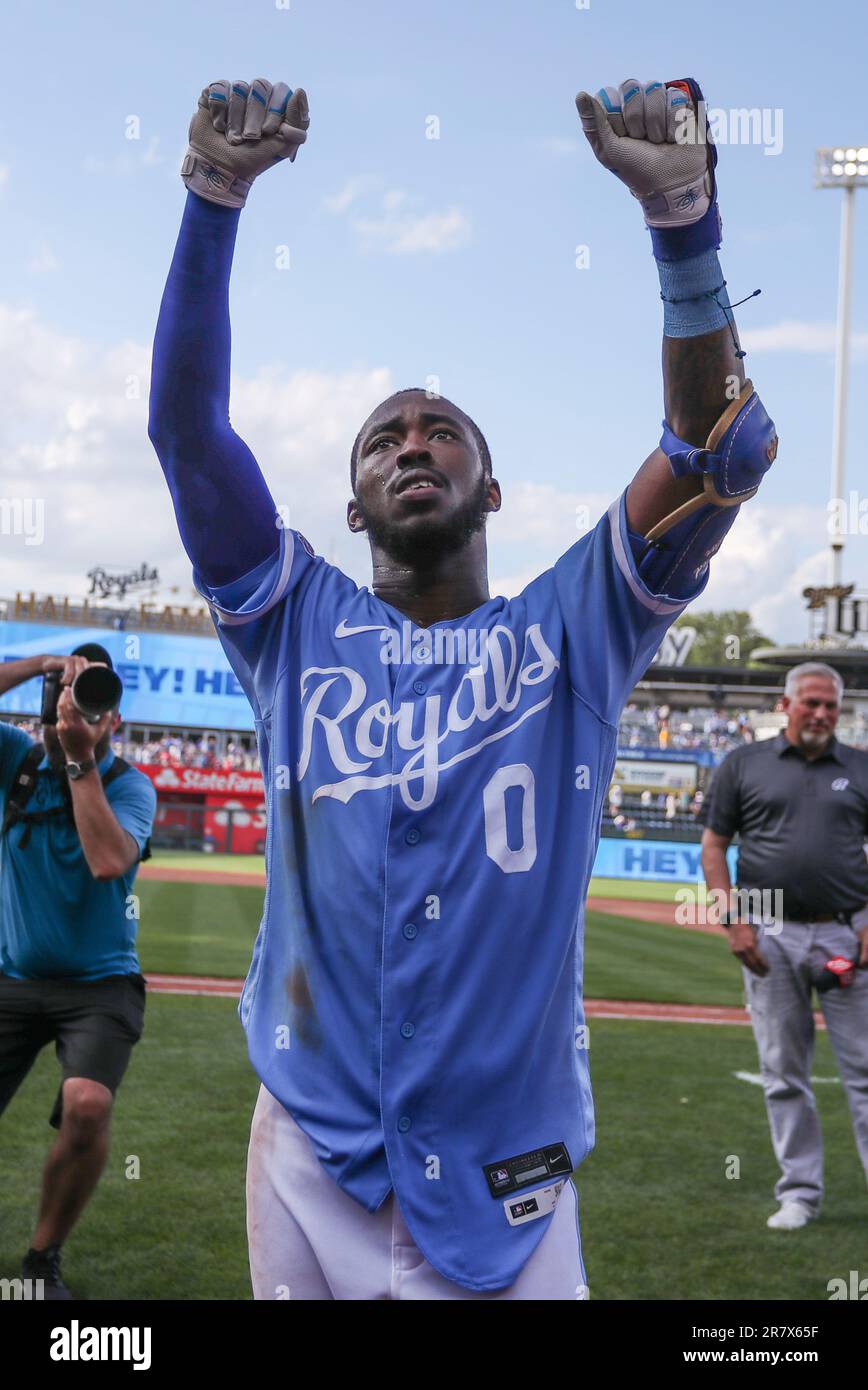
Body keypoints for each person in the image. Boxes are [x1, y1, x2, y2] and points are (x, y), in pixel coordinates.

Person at [150, 72, 777, 1299]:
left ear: (490, 489)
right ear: (351, 504)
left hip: (512, 1179)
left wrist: (685, 226)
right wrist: (212, 196)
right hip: (308, 1154)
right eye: (384, 437)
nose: (413, 443)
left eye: (441, 430)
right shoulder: (290, 619)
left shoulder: (572, 627)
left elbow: (721, 447)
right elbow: (186, 425)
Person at [0, 646, 157, 1299]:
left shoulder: (129, 783)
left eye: (92, 697)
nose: (77, 705)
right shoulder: (14, 760)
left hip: (99, 984)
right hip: (13, 975)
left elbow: (106, 861)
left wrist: (78, 758)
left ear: (113, 720)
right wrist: (42, 663)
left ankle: (42, 1258)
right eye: (69, 692)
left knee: (87, 1103)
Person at [701, 662, 868, 1231]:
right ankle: (799, 1193)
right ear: (787, 703)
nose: (822, 714)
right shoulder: (743, 763)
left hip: (848, 931)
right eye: (812, 703)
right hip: (768, 929)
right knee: (783, 1071)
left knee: (866, 1070)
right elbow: (713, 848)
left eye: (831, 706)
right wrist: (734, 922)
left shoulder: (861, 766)